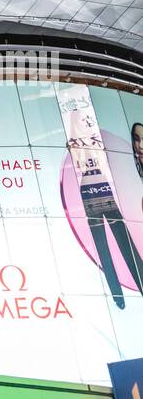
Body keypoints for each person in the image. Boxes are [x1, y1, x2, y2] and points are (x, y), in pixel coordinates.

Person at [65, 108, 143, 309]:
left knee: (116, 244)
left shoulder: (86, 142)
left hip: (99, 191)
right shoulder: (80, 143)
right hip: (94, 192)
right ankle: (119, 297)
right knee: (108, 247)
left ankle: (121, 297)